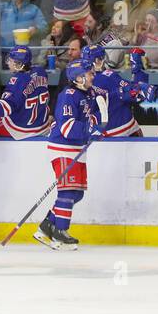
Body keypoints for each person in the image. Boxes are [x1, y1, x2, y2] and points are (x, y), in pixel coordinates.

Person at [36, 60, 103, 251]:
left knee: (77, 193)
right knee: (67, 192)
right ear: (79, 77)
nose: (93, 76)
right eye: (89, 74)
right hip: (63, 147)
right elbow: (67, 127)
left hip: (76, 148)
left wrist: (96, 125)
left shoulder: (88, 93)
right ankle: (60, 233)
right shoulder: (68, 95)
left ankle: (46, 226)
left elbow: (92, 116)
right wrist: (90, 129)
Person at [0, 47, 51, 139]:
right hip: (42, 124)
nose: (8, 63)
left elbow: (7, 106)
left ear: (19, 64)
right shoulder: (40, 71)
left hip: (22, 129)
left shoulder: (17, 81)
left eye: (10, 61)